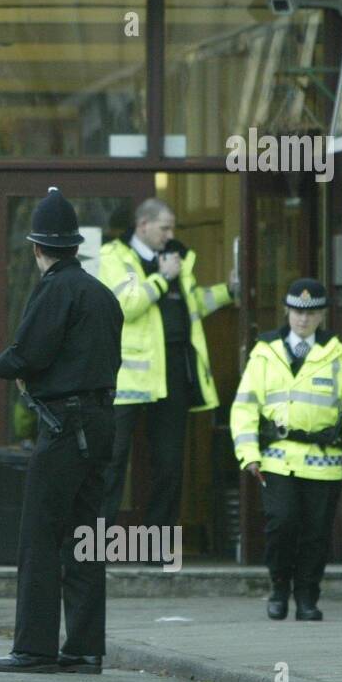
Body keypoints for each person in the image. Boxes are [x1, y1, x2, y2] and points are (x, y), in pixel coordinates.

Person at [0, 188, 123, 675]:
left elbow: (26, 355)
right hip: (102, 422)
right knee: (86, 537)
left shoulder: (54, 290)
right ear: (74, 246)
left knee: (40, 537)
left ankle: (35, 649)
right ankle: (85, 649)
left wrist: (9, 365)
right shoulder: (102, 294)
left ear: (37, 248)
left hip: (64, 426)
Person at [230, 278, 342, 622]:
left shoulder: (336, 354)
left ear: (322, 315)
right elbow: (244, 406)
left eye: (310, 314)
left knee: (316, 532)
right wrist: (248, 454)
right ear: (287, 311)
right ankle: (279, 589)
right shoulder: (265, 352)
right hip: (277, 459)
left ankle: (307, 597)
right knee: (281, 524)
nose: (303, 320)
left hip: (323, 462)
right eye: (296, 312)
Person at [96, 197, 239, 534]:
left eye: (172, 228)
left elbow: (193, 304)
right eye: (164, 227)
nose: (169, 234)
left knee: (169, 464)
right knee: (113, 461)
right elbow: (125, 306)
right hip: (128, 379)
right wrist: (161, 279)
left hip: (173, 373)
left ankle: (156, 545)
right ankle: (96, 545)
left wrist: (227, 292)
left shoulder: (177, 259)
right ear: (143, 225)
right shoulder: (114, 258)